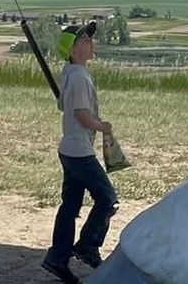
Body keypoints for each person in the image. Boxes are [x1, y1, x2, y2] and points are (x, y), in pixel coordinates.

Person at [42, 20, 118, 284]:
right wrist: (103, 126)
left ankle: (58, 258)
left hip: (69, 149)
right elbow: (83, 115)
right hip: (79, 152)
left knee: (71, 206)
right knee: (107, 198)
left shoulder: (70, 73)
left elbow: (65, 106)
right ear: (73, 51)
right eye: (84, 41)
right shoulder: (80, 77)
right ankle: (87, 245)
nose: (90, 44)